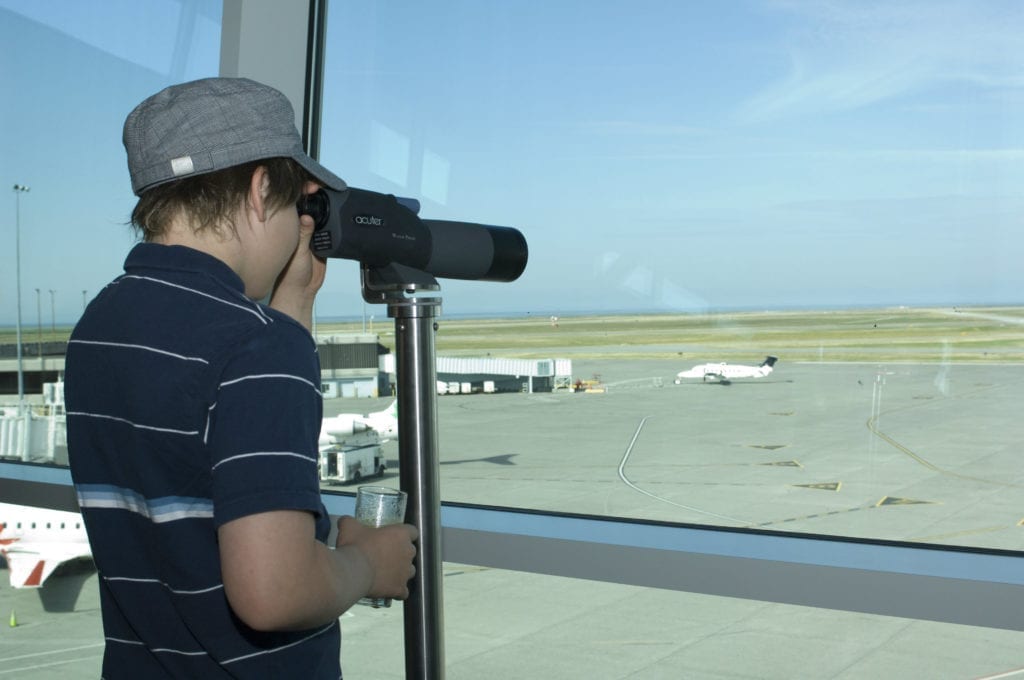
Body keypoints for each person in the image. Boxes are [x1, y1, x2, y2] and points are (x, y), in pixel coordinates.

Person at [65, 77, 418, 678]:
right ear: (260, 191)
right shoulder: (258, 344)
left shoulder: (101, 323)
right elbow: (272, 592)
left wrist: (294, 310)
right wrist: (366, 565)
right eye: (295, 206)